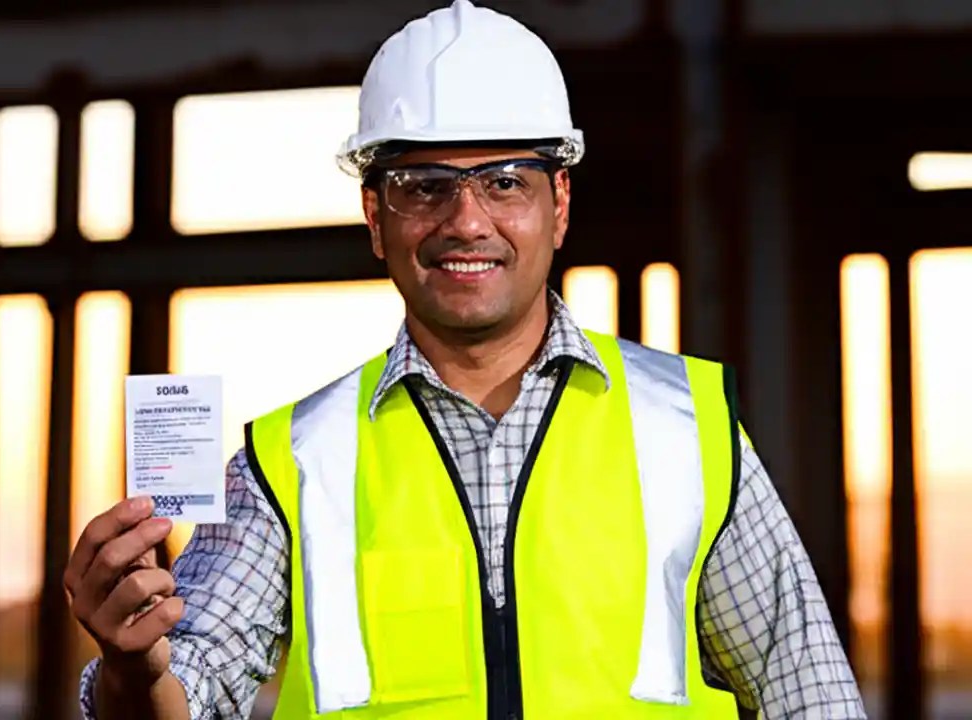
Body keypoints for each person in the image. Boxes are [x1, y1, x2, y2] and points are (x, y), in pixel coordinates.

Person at [64, 1, 866, 718]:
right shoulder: (290, 464)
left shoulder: (687, 429)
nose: (467, 221)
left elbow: (810, 694)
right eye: (424, 186)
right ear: (375, 216)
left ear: (559, 204)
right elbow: (189, 690)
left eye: (505, 182)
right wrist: (134, 669)